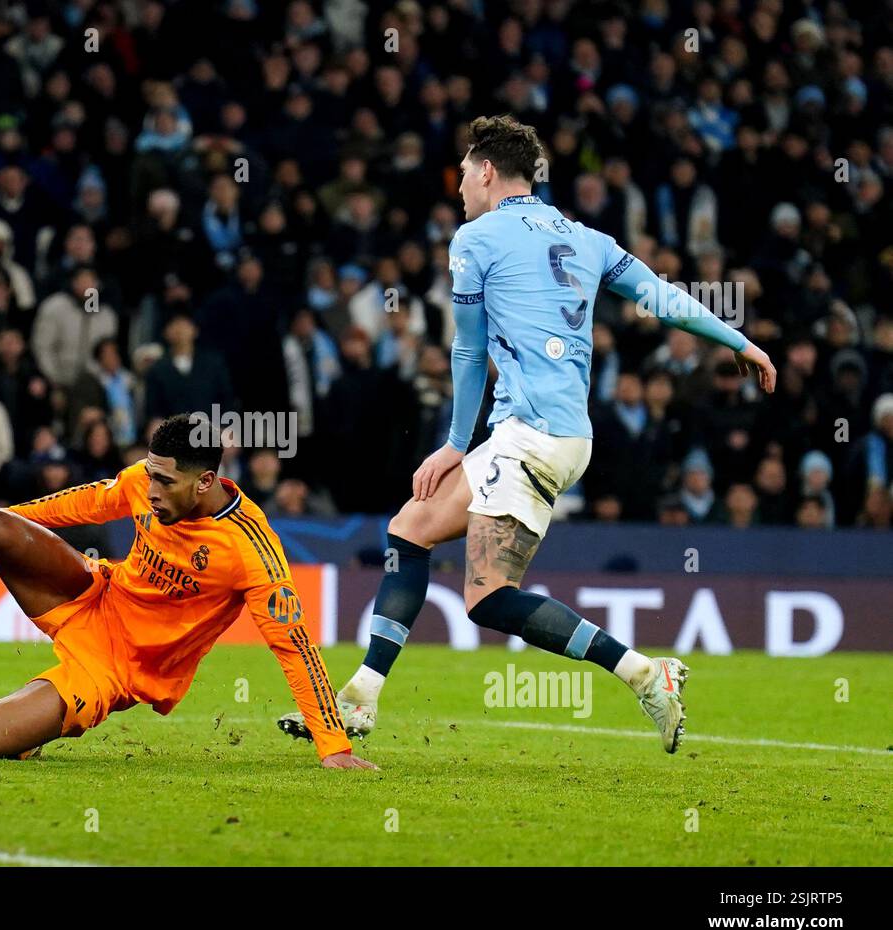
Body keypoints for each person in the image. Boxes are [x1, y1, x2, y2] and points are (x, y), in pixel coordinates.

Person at [279, 115, 777, 754]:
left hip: (528, 435)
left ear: (487, 171)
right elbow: (661, 296)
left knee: (487, 599)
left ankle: (645, 673)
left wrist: (456, 442)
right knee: (410, 528)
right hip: (556, 433)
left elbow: (467, 350)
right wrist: (739, 340)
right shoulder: (586, 237)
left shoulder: (476, 238)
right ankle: (361, 696)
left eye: (462, 174)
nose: (458, 187)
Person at [0, 414, 375, 770]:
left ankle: (23, 728)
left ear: (208, 482)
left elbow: (293, 645)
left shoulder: (250, 548)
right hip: (92, 593)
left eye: (166, 482)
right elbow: (76, 505)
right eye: (149, 474)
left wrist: (333, 746)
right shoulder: (145, 483)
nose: (152, 491)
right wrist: (3, 527)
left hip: (115, 669)